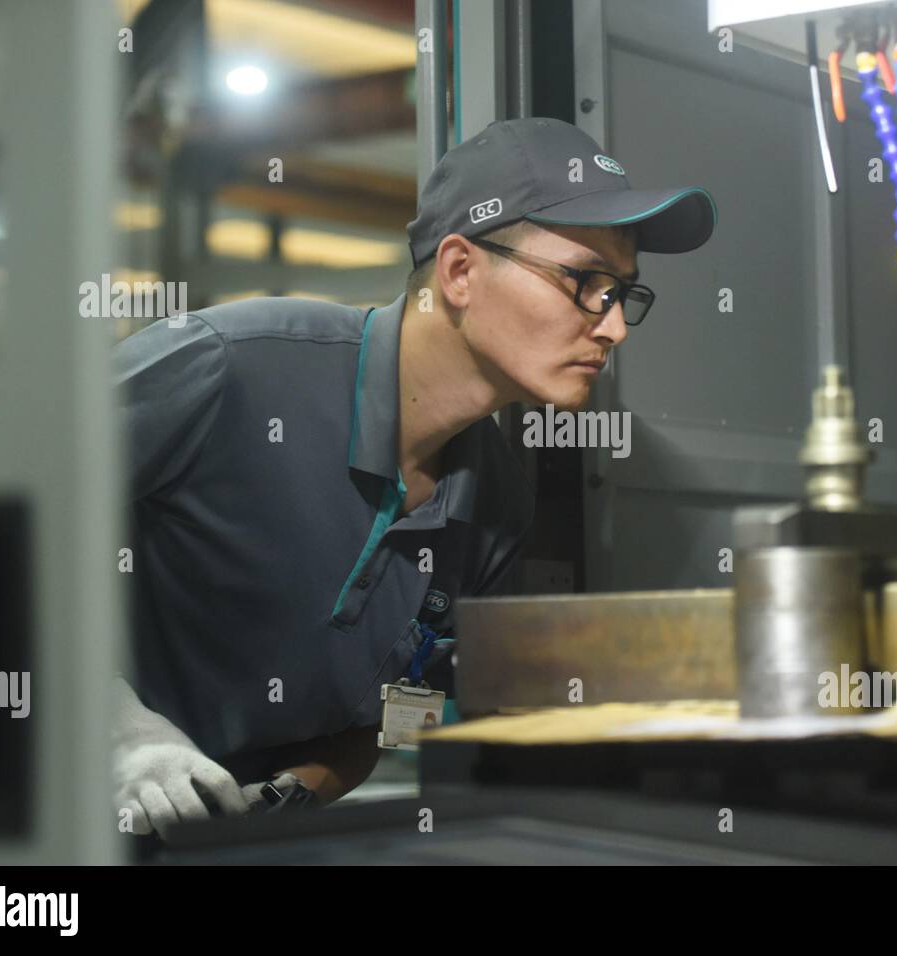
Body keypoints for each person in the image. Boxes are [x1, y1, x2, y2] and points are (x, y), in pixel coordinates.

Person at [111, 116, 717, 839]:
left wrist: (280, 803)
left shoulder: (497, 496)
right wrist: (124, 738)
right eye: (586, 282)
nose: (613, 328)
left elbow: (403, 713)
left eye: (623, 294)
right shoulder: (227, 367)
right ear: (460, 271)